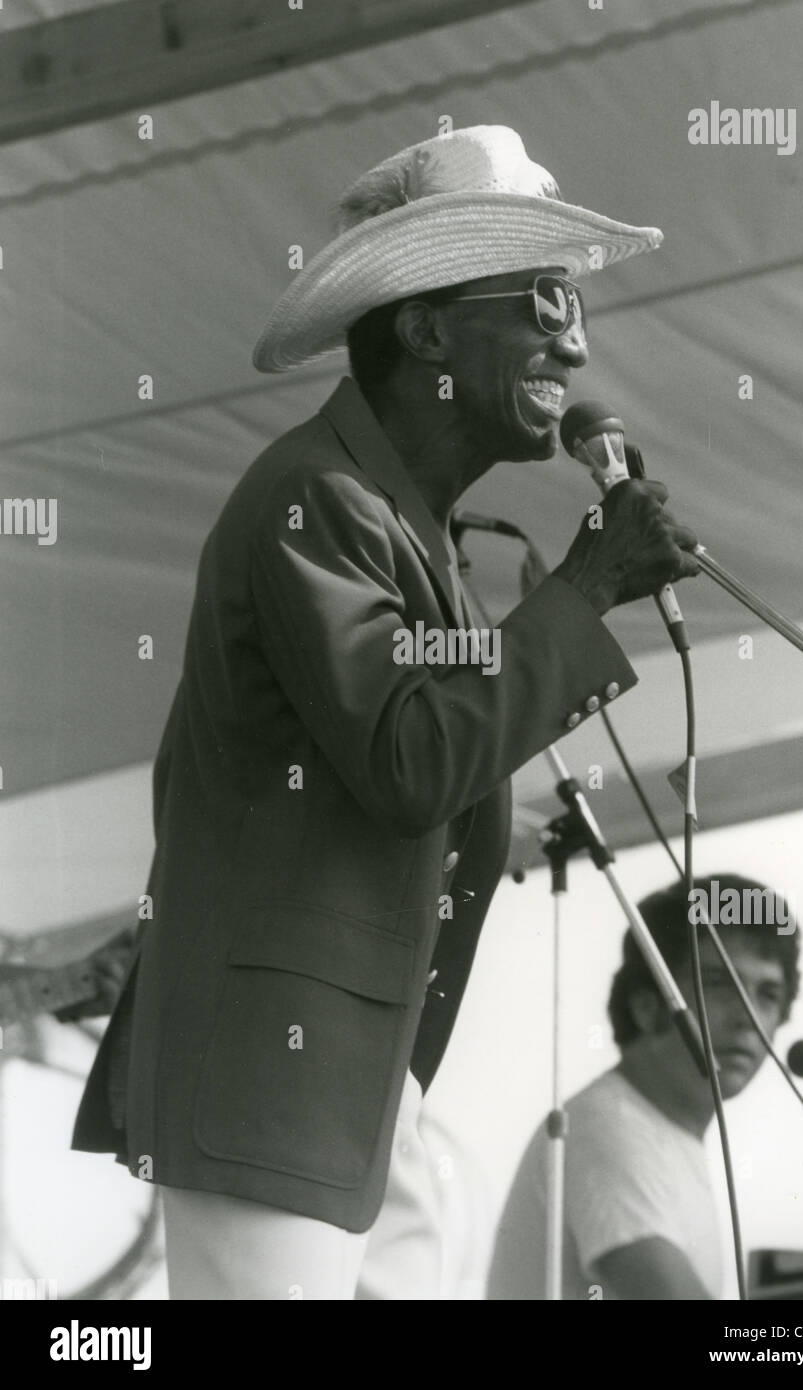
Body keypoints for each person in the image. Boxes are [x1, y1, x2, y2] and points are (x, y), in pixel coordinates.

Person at [70, 124, 700, 1299]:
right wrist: (587, 585)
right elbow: (409, 759)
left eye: (573, 301)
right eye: (545, 298)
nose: (576, 338)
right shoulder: (316, 500)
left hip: (362, 1084)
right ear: (427, 331)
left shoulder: (409, 526)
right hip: (274, 1080)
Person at [487, 873, 801, 1300]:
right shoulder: (607, 1126)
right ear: (647, 1006)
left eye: (768, 994)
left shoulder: (654, 1127)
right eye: (718, 984)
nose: (748, 1017)